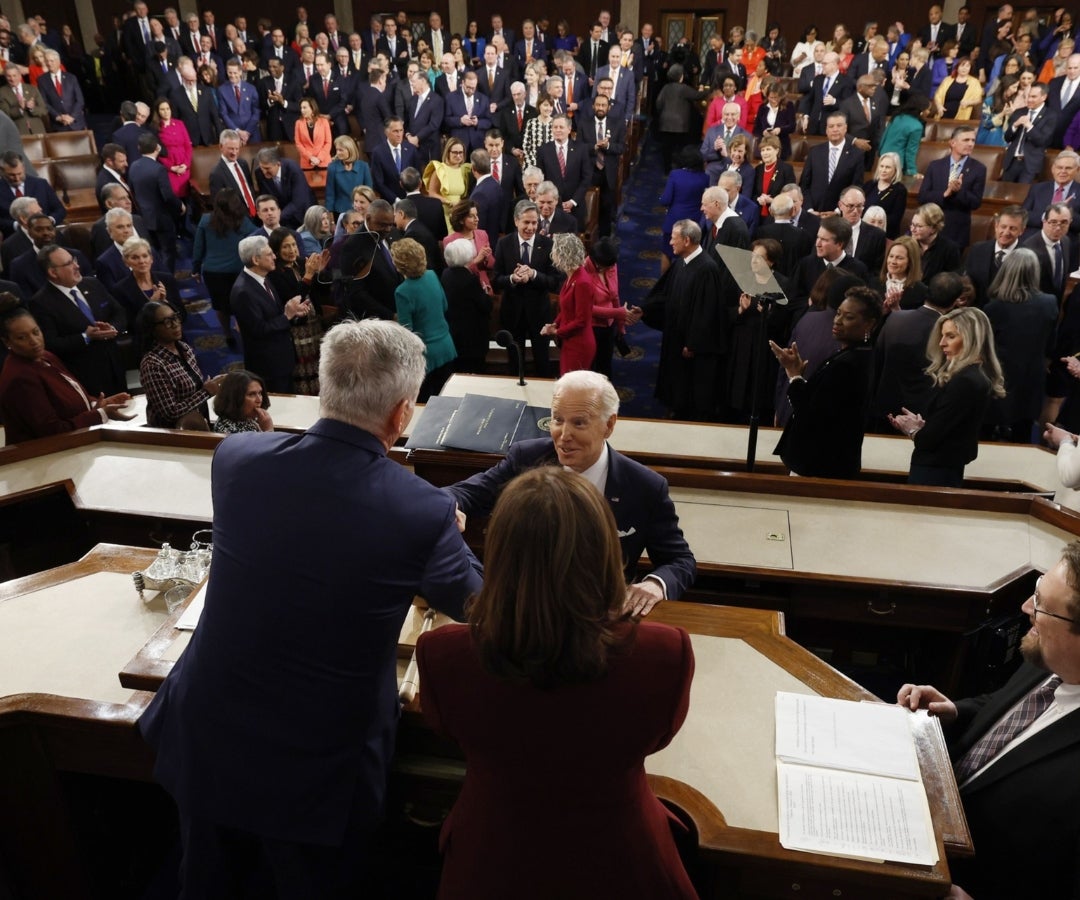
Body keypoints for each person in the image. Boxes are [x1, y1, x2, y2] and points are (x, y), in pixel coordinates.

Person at [139, 319, 483, 896]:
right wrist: (447, 533)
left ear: (325, 391)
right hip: (317, 758)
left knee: (203, 879)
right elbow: (481, 608)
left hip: (207, 725)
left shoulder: (238, 458)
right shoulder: (420, 510)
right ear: (403, 414)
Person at [418, 466, 697, 900]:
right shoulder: (664, 654)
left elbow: (444, 727)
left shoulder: (443, 655)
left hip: (493, 856)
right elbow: (660, 735)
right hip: (622, 857)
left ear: (500, 551)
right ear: (605, 549)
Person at [897, 541, 1080, 900]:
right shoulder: (1048, 659)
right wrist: (955, 711)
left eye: (1042, 606)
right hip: (921, 813)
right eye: (1036, 592)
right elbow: (1006, 711)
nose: (1026, 608)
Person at [447, 369, 696, 612]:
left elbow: (680, 561)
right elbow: (465, 493)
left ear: (608, 425)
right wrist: (448, 507)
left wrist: (656, 584)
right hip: (524, 608)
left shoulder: (645, 487)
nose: (564, 435)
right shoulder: (526, 458)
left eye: (579, 423)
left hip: (600, 614)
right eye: (557, 420)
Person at [770, 285, 883, 478]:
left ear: (869, 324)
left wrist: (794, 374)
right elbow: (824, 403)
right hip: (827, 462)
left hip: (820, 466)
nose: (838, 321)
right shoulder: (855, 356)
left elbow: (810, 412)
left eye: (848, 317)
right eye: (838, 313)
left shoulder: (848, 364)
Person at [888, 306, 1004, 485]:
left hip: (935, 472)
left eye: (950, 336)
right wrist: (924, 426)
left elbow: (929, 439)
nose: (942, 343)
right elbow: (950, 426)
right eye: (942, 336)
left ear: (971, 339)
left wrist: (913, 430)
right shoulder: (975, 376)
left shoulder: (965, 381)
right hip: (944, 468)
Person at [0, 294, 132, 443]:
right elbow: (52, 431)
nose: (34, 341)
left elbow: (69, 398)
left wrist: (97, 404)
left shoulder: (46, 355)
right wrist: (100, 414)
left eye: (36, 332)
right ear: (6, 342)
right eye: (21, 338)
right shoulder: (20, 377)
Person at [643, 219, 726, 421]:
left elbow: (706, 312)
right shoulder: (681, 262)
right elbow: (667, 295)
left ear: (687, 240)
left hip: (690, 347)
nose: (670, 243)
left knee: (688, 388)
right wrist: (644, 310)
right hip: (675, 336)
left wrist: (693, 343)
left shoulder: (707, 269)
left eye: (674, 238)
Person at [983, 248, 1058, 443]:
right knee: (1022, 435)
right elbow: (1051, 344)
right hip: (1031, 378)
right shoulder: (1049, 303)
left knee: (985, 433)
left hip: (998, 380)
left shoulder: (993, 308)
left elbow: (983, 347)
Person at [231, 234, 312, 392]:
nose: (274, 256)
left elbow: (273, 314)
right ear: (256, 260)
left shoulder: (263, 278)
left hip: (282, 359)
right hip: (268, 366)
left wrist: (294, 313)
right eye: (269, 254)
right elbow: (259, 330)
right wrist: (286, 316)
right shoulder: (243, 292)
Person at [137, 301, 222, 430]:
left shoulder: (185, 348)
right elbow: (170, 413)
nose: (175, 324)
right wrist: (206, 392)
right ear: (152, 329)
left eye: (175, 317)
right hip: (171, 435)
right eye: (167, 322)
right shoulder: (153, 365)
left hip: (199, 422)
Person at [390, 237, 455, 401]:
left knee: (426, 406)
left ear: (399, 264)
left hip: (426, 356)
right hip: (446, 346)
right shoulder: (432, 276)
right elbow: (445, 305)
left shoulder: (402, 292)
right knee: (447, 400)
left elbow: (407, 333)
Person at [193, 188, 257, 346]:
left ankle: (227, 334)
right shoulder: (243, 221)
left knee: (221, 307)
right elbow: (256, 240)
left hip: (213, 272)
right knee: (242, 307)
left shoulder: (205, 220)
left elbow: (198, 248)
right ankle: (245, 335)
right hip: (239, 272)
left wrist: (195, 269)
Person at [268, 227, 326, 395]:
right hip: (297, 328)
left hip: (314, 323)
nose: (292, 250)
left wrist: (320, 273)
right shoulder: (274, 273)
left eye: (294, 245)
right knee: (304, 368)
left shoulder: (302, 262)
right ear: (277, 249)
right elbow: (294, 298)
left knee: (318, 361)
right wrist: (308, 276)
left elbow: (317, 290)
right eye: (286, 246)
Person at [538, 233, 594, 375]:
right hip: (570, 341)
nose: (552, 254)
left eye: (555, 250)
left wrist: (556, 332)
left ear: (563, 254)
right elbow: (566, 309)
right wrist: (555, 324)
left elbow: (581, 320)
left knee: (572, 389)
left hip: (579, 345)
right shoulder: (571, 276)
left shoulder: (582, 282)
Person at [440, 239, 491, 374]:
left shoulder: (446, 274)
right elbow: (485, 306)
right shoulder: (470, 280)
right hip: (471, 340)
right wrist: (485, 292)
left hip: (453, 334)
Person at [113, 237, 184, 326]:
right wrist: (151, 305)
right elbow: (130, 324)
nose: (142, 261)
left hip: (173, 332)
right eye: (135, 257)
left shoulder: (167, 279)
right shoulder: (120, 290)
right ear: (126, 262)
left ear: (151, 259)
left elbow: (183, 314)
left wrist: (165, 302)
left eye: (145, 256)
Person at [654, 64, 708, 171]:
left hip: (665, 123)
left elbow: (658, 104)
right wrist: (709, 90)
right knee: (680, 148)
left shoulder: (665, 88)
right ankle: (679, 169)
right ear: (681, 76)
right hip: (681, 125)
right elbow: (698, 96)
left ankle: (667, 169)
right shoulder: (684, 88)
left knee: (667, 148)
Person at [442, 198, 494, 293]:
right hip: (462, 288)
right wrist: (477, 260)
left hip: (484, 286)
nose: (477, 219)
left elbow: (492, 264)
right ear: (461, 220)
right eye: (471, 216)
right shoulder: (450, 241)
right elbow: (454, 273)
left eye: (477, 215)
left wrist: (486, 258)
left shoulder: (482, 234)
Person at [423, 137, 469, 230]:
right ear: (448, 152)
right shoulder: (440, 169)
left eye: (461, 152)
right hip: (444, 214)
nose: (458, 155)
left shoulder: (464, 170)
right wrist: (448, 202)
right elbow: (431, 193)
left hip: (460, 215)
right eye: (455, 152)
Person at [910, 202, 962, 284]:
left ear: (933, 228)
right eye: (912, 224)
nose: (913, 229)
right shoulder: (906, 243)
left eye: (919, 226)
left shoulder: (950, 249)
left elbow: (952, 282)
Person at [153, 97, 192, 201]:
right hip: (170, 169)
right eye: (162, 109)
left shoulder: (179, 123)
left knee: (190, 196)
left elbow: (188, 146)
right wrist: (171, 168)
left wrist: (185, 164)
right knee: (175, 198)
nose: (166, 112)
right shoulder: (155, 128)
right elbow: (158, 152)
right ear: (158, 112)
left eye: (167, 108)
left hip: (184, 166)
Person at [875, 236, 928, 313]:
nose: (893, 261)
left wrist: (896, 309)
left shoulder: (921, 291)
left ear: (910, 262)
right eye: (891, 256)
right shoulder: (873, 283)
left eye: (899, 258)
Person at [863, 151, 908, 239]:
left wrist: (874, 222)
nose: (883, 170)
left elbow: (895, 218)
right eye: (881, 166)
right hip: (864, 230)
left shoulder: (900, 190)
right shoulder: (870, 184)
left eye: (887, 167)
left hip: (884, 235)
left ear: (895, 169)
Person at [324, 135, 371, 216]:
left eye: (341, 150)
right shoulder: (332, 167)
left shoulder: (363, 166)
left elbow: (369, 192)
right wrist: (330, 217)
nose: (338, 153)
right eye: (337, 150)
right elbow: (330, 194)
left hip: (361, 211)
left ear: (350, 150)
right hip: (340, 212)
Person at [294, 96, 332, 169]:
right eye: (301, 108)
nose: (302, 110)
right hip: (307, 163)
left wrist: (319, 158)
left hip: (323, 162)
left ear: (312, 108)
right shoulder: (298, 123)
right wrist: (310, 157)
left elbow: (328, 143)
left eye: (304, 108)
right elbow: (298, 143)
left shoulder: (324, 122)